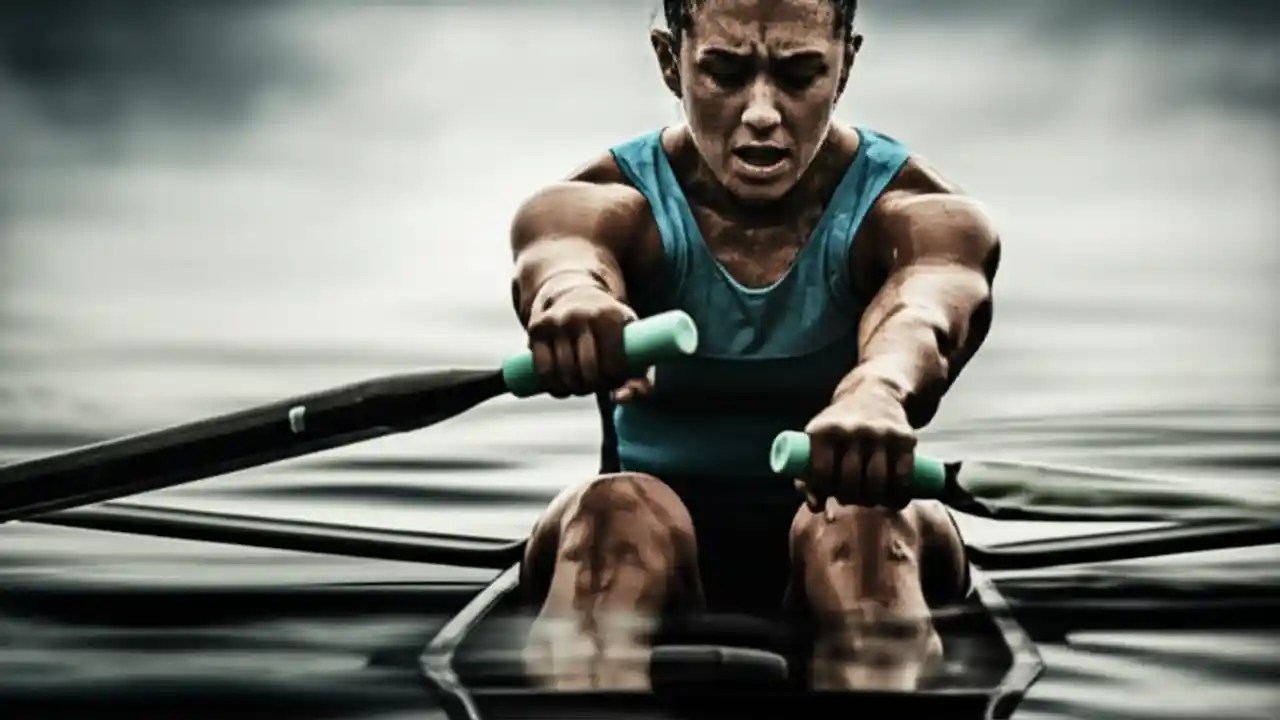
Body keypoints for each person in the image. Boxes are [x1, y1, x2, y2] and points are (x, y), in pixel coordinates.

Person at [509, 0, 998, 691]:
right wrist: (576, 307)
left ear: (846, 63)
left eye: (799, 75)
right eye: (725, 73)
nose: (763, 112)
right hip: (645, 552)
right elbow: (565, 261)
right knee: (615, 515)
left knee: (857, 527)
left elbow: (923, 313)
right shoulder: (597, 203)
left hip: (855, 532)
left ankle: (875, 670)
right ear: (670, 59)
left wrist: (877, 392)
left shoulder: (921, 213)